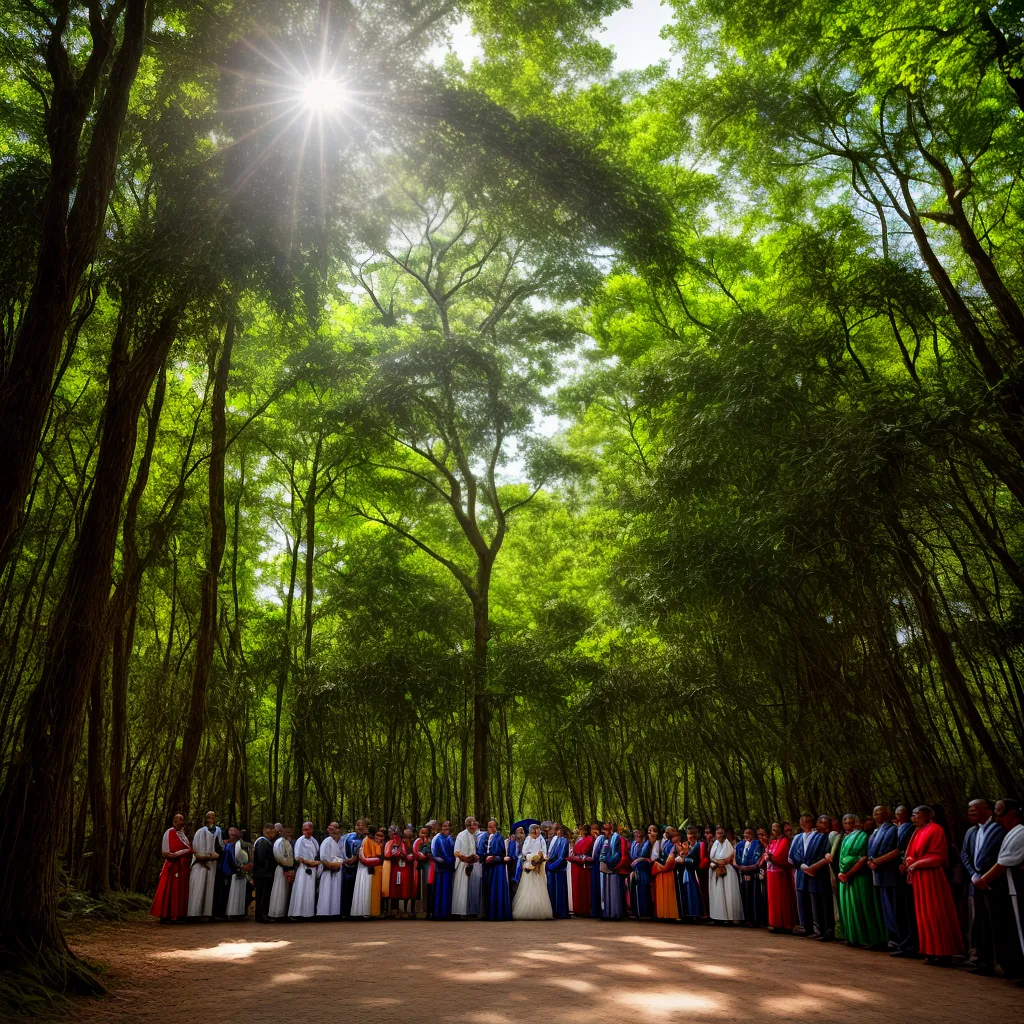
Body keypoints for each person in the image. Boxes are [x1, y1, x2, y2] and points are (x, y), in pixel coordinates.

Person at [897, 805, 962, 967]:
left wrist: (916, 863)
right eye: (912, 815)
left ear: (927, 815)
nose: (914, 818)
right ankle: (930, 950)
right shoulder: (918, 831)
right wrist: (909, 862)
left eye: (916, 814)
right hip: (919, 877)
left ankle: (944, 951)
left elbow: (938, 856)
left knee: (936, 911)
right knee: (923, 913)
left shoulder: (936, 829)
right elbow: (910, 853)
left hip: (932, 876)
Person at [974, 798, 1024, 982]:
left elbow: (1004, 862)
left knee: (1018, 929)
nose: (996, 817)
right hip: (1011, 888)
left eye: (999, 813)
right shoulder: (1009, 832)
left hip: (1016, 888)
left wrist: (982, 880)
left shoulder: (1019, 832)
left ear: (1011, 813)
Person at [960, 797, 1005, 976]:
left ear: (988, 809)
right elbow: (965, 854)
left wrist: (985, 877)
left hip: (993, 884)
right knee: (979, 923)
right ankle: (983, 961)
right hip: (975, 883)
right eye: (969, 810)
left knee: (996, 922)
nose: (971, 813)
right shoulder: (971, 831)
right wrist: (973, 874)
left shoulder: (999, 829)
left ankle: (1003, 962)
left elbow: (1000, 855)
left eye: (975, 809)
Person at [835, 813, 886, 948]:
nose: (848, 824)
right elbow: (842, 857)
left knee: (863, 907)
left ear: (857, 822)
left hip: (859, 877)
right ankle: (853, 937)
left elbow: (862, 857)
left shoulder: (862, 836)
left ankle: (870, 938)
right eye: (845, 822)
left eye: (850, 822)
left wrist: (848, 873)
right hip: (844, 876)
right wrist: (842, 872)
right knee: (849, 908)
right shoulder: (844, 838)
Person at [867, 805, 904, 949]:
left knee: (894, 908)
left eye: (881, 812)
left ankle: (898, 939)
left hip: (890, 873)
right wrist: (871, 861)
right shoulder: (875, 832)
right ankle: (888, 938)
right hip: (877, 874)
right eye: (875, 813)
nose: (877, 815)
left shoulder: (893, 829)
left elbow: (897, 850)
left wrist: (877, 861)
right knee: (884, 908)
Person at [150, 813, 191, 923]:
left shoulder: (183, 836)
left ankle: (178, 915)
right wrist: (184, 852)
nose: (181, 822)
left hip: (182, 868)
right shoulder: (169, 833)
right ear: (174, 822)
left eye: (183, 820)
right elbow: (166, 853)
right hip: (171, 867)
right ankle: (165, 915)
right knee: (169, 890)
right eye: (179, 820)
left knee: (179, 891)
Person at [513, 823, 553, 920]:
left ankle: (540, 910)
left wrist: (540, 858)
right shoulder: (527, 839)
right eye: (536, 831)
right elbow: (524, 852)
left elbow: (544, 851)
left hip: (539, 865)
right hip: (529, 864)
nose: (538, 833)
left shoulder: (541, 839)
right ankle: (526, 910)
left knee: (539, 886)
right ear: (532, 832)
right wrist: (531, 857)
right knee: (528, 887)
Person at [187, 810, 221, 920]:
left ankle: (206, 913)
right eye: (209, 816)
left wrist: (216, 855)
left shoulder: (218, 831)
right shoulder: (200, 831)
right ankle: (194, 913)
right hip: (200, 864)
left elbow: (221, 846)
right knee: (198, 886)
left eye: (213, 816)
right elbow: (196, 849)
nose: (211, 818)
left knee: (209, 889)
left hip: (212, 865)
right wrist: (205, 858)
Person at [765, 821, 797, 932]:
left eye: (776, 827)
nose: (774, 829)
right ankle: (775, 923)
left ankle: (786, 924)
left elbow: (782, 856)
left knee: (782, 898)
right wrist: (767, 855)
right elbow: (767, 853)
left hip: (781, 874)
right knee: (773, 900)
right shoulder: (772, 841)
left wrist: (770, 857)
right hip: (771, 873)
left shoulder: (785, 841)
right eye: (772, 827)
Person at [708, 825, 742, 924]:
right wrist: (714, 864)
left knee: (727, 893)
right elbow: (712, 857)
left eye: (721, 833)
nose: (719, 835)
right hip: (716, 870)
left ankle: (729, 917)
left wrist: (719, 863)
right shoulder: (715, 844)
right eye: (718, 833)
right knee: (718, 893)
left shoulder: (728, 844)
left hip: (726, 870)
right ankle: (718, 916)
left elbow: (727, 859)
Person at [479, 819, 512, 921]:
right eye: (489, 826)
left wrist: (494, 858)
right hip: (486, 867)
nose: (491, 829)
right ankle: (486, 913)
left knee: (495, 889)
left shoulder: (499, 838)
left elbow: (502, 854)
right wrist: (485, 858)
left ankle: (497, 913)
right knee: (486, 889)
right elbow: (480, 851)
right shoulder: (483, 837)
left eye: (493, 826)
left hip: (496, 868)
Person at [288, 821, 320, 919]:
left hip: (313, 869)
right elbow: (297, 857)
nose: (306, 831)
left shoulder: (314, 840)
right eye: (304, 830)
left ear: (312, 829)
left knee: (310, 891)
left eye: (308, 829)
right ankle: (297, 913)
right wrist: (309, 862)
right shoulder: (300, 840)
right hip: (303, 869)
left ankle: (308, 913)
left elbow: (317, 853)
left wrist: (315, 863)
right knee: (301, 890)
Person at [453, 816, 482, 919]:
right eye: (469, 824)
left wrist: (476, 857)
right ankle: (461, 912)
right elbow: (456, 852)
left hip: (476, 864)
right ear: (466, 825)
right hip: (463, 864)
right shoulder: (461, 835)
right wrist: (465, 858)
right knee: (463, 888)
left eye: (473, 823)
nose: (471, 826)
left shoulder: (479, 835)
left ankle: (474, 911)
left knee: (476, 887)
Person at [352, 826, 385, 918]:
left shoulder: (371, 841)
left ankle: (368, 911)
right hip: (365, 868)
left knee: (368, 889)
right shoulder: (366, 841)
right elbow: (367, 856)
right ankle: (363, 911)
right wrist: (378, 859)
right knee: (364, 888)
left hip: (371, 865)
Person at [597, 822, 627, 920]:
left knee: (614, 890)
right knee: (606, 890)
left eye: (605, 831)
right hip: (606, 867)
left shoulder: (617, 838)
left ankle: (615, 913)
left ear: (610, 830)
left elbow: (618, 853)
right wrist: (603, 859)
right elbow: (602, 852)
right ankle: (607, 912)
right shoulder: (605, 839)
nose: (604, 833)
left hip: (614, 867)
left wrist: (610, 862)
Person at [735, 827, 764, 926]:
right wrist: (740, 867)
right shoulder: (740, 845)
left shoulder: (757, 844)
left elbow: (759, 857)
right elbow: (735, 858)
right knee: (744, 894)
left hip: (753, 873)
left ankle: (755, 919)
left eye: (749, 833)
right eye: (745, 833)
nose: (747, 835)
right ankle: (746, 918)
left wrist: (751, 867)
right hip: (742, 872)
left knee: (754, 894)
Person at [213, 825, 242, 921]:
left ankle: (223, 912)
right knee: (222, 892)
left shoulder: (233, 844)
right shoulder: (227, 845)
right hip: (224, 871)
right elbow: (231, 860)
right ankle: (219, 913)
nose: (233, 833)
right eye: (231, 830)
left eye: (234, 831)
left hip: (227, 871)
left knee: (225, 892)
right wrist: (237, 868)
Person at [677, 826, 705, 921]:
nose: (690, 836)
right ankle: (689, 913)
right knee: (688, 892)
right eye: (689, 834)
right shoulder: (688, 846)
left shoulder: (698, 845)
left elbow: (695, 860)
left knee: (694, 892)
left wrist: (684, 860)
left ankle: (697, 914)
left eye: (692, 834)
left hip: (694, 872)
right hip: (687, 871)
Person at [251, 822, 277, 923]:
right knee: (262, 895)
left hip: (264, 873)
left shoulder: (266, 841)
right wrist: (269, 867)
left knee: (264, 895)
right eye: (272, 830)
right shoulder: (262, 841)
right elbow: (262, 858)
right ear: (267, 830)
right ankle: (261, 915)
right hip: (262, 873)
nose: (274, 833)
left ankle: (262, 914)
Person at [317, 822, 344, 919]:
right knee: (326, 891)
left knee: (335, 892)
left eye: (336, 828)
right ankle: (323, 913)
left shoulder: (340, 842)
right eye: (331, 828)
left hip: (337, 870)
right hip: (328, 870)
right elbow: (323, 857)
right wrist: (330, 866)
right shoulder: (327, 841)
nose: (333, 830)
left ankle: (334, 913)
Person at [341, 820, 367, 918]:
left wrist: (356, 857)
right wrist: (346, 860)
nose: (360, 827)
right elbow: (341, 849)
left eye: (362, 825)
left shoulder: (368, 838)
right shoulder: (348, 837)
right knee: (347, 890)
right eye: (357, 825)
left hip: (362, 868)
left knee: (361, 891)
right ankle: (346, 912)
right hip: (349, 868)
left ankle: (359, 911)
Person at [268, 825, 295, 921]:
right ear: (282, 832)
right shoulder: (279, 842)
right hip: (280, 869)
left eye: (290, 832)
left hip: (287, 868)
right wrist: (285, 866)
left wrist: (290, 866)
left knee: (285, 890)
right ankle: (276, 913)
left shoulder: (287, 843)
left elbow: (290, 856)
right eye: (286, 832)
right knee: (278, 890)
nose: (288, 834)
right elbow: (278, 857)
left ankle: (283, 912)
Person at [651, 826, 678, 921]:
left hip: (669, 869)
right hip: (663, 866)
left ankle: (670, 913)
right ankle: (663, 913)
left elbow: (672, 854)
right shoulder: (665, 842)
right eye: (666, 831)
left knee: (669, 891)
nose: (666, 833)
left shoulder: (675, 844)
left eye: (669, 831)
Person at [431, 819, 456, 919]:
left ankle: (447, 912)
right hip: (441, 868)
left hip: (449, 868)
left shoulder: (451, 838)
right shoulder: (437, 838)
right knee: (440, 890)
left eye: (448, 826)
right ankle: (438, 913)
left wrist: (452, 862)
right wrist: (441, 860)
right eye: (445, 826)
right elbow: (434, 853)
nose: (447, 828)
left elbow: (454, 851)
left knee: (447, 890)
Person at [569, 824, 593, 917]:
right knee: (576, 887)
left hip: (582, 867)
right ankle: (577, 909)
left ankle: (584, 909)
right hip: (575, 865)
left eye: (582, 830)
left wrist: (576, 857)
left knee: (582, 888)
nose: (580, 832)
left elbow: (585, 852)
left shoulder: (589, 839)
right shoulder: (580, 840)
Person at [547, 824, 571, 919]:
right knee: (552, 890)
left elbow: (561, 857)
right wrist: (548, 861)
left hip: (560, 868)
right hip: (553, 868)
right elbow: (553, 853)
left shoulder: (565, 841)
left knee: (560, 890)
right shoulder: (556, 840)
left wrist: (552, 865)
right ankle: (554, 911)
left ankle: (562, 912)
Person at [629, 827, 652, 920]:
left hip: (643, 870)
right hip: (636, 868)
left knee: (643, 890)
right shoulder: (634, 844)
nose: (635, 837)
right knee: (635, 890)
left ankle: (644, 912)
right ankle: (636, 912)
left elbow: (645, 856)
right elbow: (633, 856)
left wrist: (640, 859)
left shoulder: (647, 844)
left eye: (637, 835)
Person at [413, 825, 434, 919]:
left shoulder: (431, 842)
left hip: (427, 868)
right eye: (422, 832)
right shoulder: (416, 843)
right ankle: (416, 911)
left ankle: (428, 911)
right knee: (417, 890)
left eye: (425, 833)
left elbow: (431, 855)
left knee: (428, 889)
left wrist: (426, 855)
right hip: (417, 869)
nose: (423, 835)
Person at [507, 825, 525, 900]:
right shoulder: (512, 843)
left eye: (523, 832)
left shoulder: (523, 843)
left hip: (522, 867)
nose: (523, 834)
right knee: (514, 886)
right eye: (521, 832)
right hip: (514, 867)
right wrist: (518, 858)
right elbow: (511, 855)